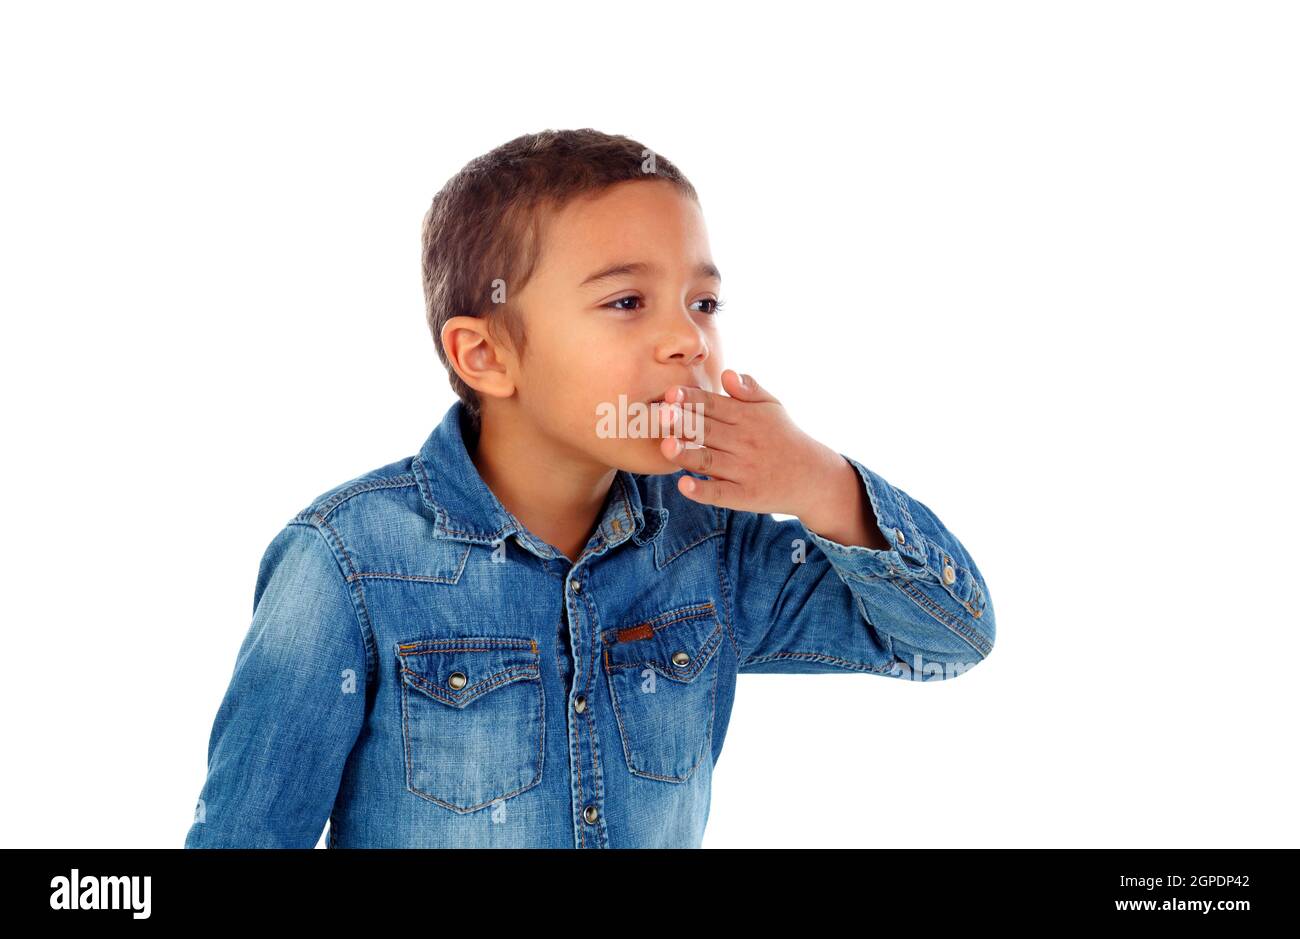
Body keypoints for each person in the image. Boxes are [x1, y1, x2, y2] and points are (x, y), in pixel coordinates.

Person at [184, 128, 996, 849]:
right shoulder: (348, 563)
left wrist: (820, 483)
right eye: (626, 301)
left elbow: (946, 640)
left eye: (702, 302)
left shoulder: (708, 542)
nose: (686, 338)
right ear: (485, 355)